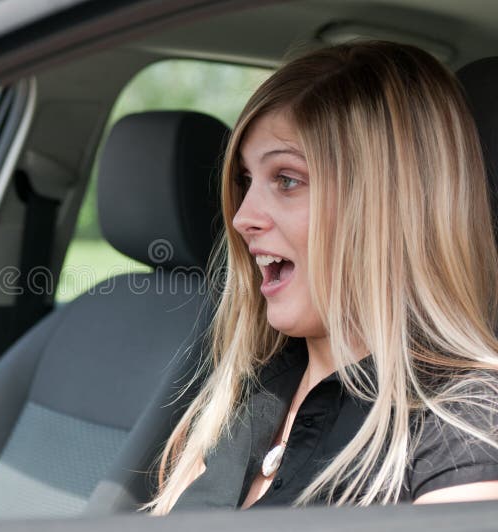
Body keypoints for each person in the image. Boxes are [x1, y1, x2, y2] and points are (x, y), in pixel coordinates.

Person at [145, 41, 498, 514]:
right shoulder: (246, 388)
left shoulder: (464, 420)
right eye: (246, 181)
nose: (242, 217)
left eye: (287, 179)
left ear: (388, 206)